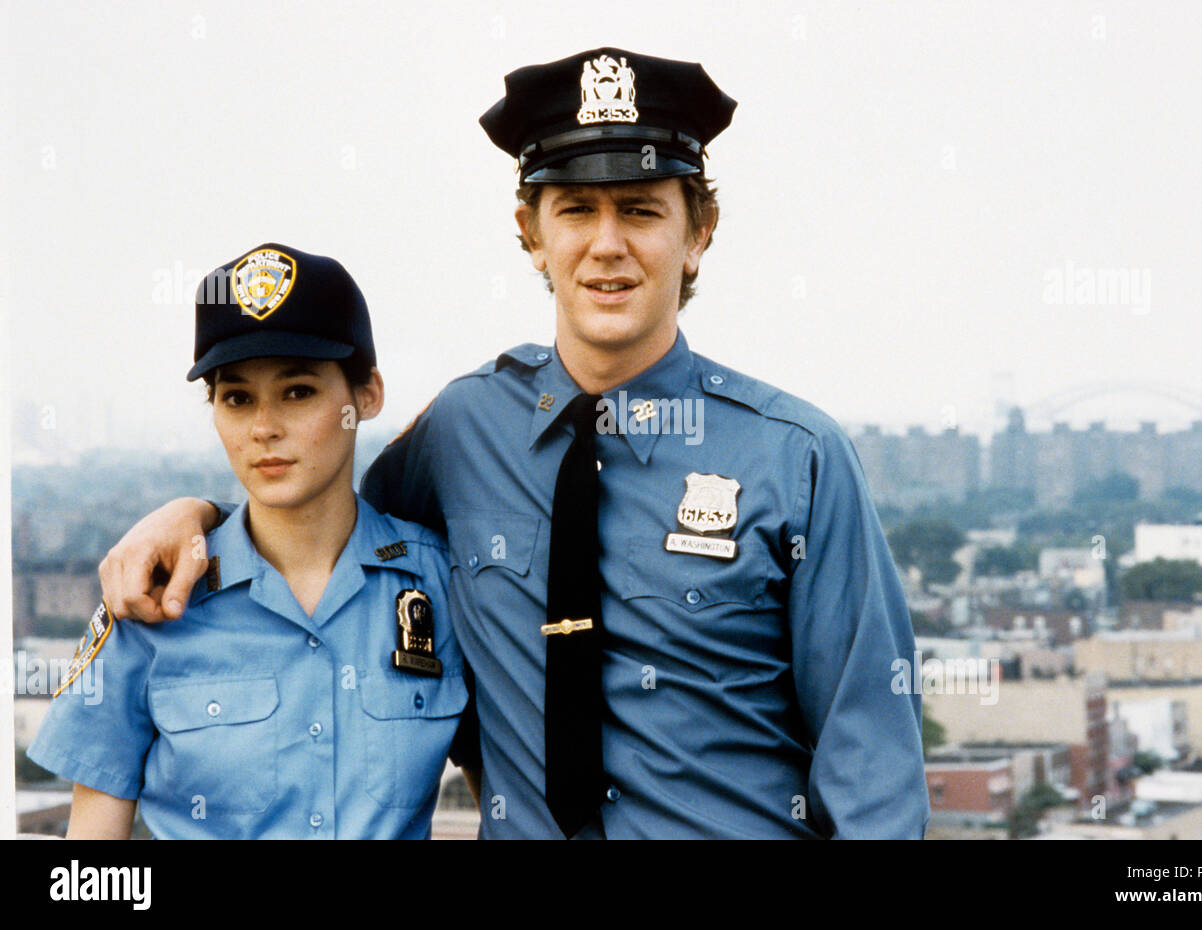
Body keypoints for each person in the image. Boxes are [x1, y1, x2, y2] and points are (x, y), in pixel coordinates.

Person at [98, 49, 929, 839]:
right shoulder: (464, 431)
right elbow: (323, 524)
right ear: (532, 232)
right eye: (575, 209)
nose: (608, 243)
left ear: (699, 229)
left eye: (642, 209)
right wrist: (194, 516)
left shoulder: (797, 458)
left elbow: (874, 773)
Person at [30, 243, 467, 839]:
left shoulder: (440, 586)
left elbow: (508, 797)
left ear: (366, 394)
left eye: (298, 392)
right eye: (237, 398)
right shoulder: (150, 598)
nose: (264, 427)